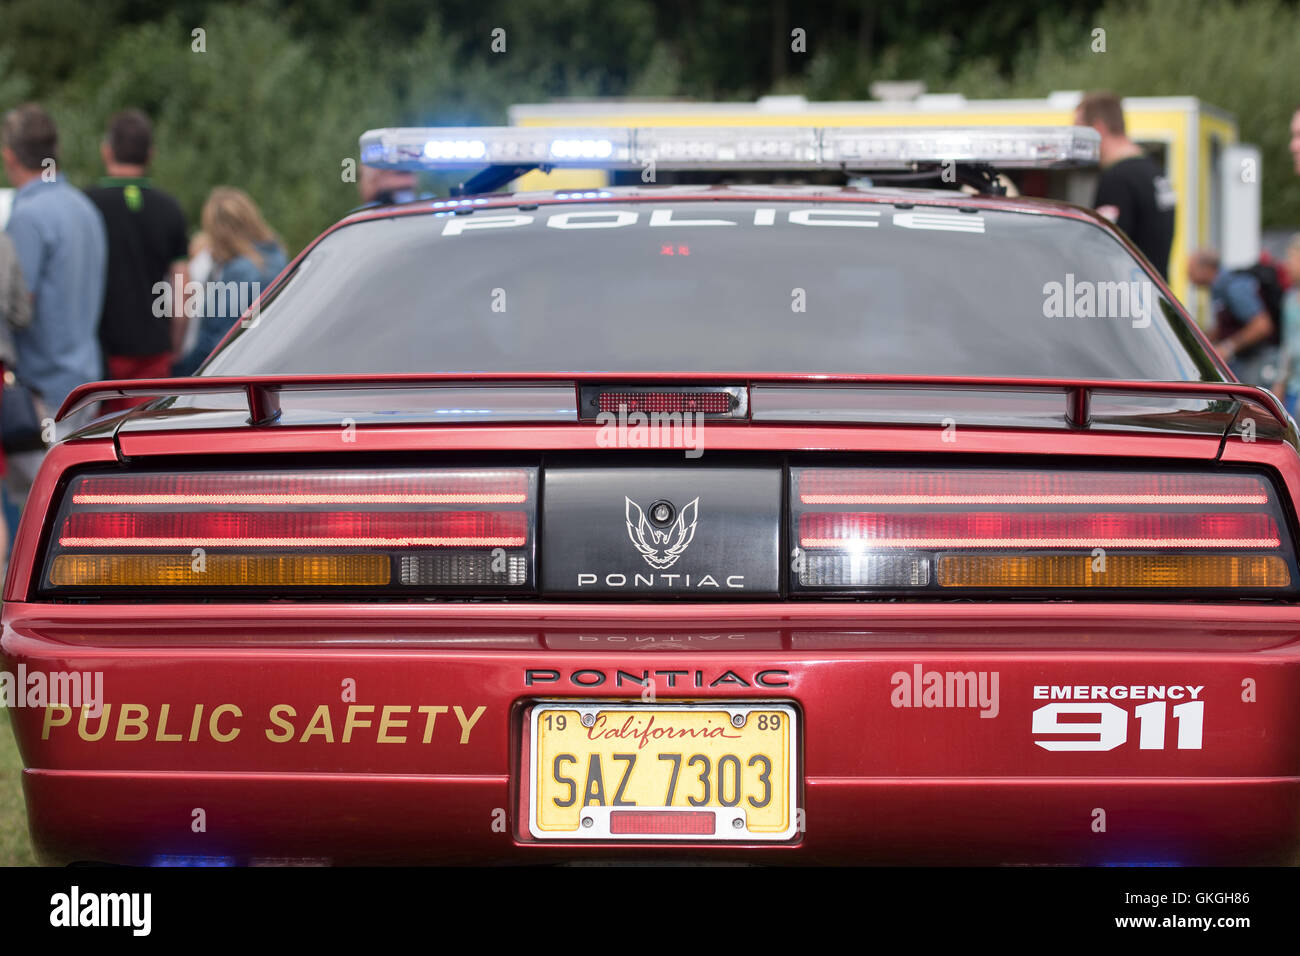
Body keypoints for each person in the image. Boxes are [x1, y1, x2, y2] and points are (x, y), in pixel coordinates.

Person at [1, 103, 107, 507]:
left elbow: (18, 302)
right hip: (84, 384)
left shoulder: (27, 217)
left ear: (9, 155)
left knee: (38, 507)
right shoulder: (85, 209)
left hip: (40, 388)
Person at [85, 109, 188, 411]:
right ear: (151, 154)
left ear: (106, 151)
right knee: (147, 439)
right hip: (153, 352)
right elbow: (183, 290)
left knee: (99, 445)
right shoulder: (171, 209)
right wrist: (175, 342)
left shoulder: (87, 206)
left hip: (101, 353)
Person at [172, 187, 286, 376]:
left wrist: (180, 371)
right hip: (269, 366)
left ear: (218, 232)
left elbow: (218, 340)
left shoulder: (239, 271)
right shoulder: (277, 258)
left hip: (234, 375)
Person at [1074, 91, 1176, 277]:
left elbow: (1103, 251)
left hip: (1128, 298)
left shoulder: (1118, 179)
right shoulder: (1155, 172)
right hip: (1156, 297)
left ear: (1097, 128)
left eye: (1079, 131)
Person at [1187, 248, 1279, 387]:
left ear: (1206, 268)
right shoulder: (1218, 288)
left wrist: (1228, 347)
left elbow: (1262, 326)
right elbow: (1223, 326)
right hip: (1244, 360)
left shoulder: (1234, 288)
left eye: (1191, 268)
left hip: (1254, 361)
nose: (1187, 274)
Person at [1277, 236, 1300, 414]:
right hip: (1293, 388)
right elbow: (1287, 346)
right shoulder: (1290, 300)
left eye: (1291, 258)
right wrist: (1280, 383)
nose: (1287, 265)